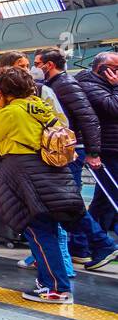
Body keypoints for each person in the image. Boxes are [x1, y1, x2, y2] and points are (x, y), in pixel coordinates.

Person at [0, 67, 84, 303]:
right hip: (49, 170)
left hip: (24, 172)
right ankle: (50, 280)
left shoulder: (12, 112)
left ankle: (56, 287)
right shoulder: (40, 105)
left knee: (38, 229)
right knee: (47, 228)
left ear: (3, 91)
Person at [37, 48, 117, 271]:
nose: (33, 68)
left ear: (49, 64)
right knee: (70, 200)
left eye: (35, 63)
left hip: (71, 150)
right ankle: (84, 247)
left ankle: (94, 245)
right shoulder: (74, 84)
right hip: (76, 149)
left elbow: (87, 118)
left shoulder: (66, 85)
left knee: (69, 201)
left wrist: (92, 151)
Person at [76, 52, 118, 270]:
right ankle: (93, 245)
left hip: (111, 148)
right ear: (102, 68)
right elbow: (114, 109)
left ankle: (88, 245)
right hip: (108, 149)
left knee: (106, 200)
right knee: (108, 200)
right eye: (115, 67)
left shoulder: (106, 86)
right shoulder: (90, 86)